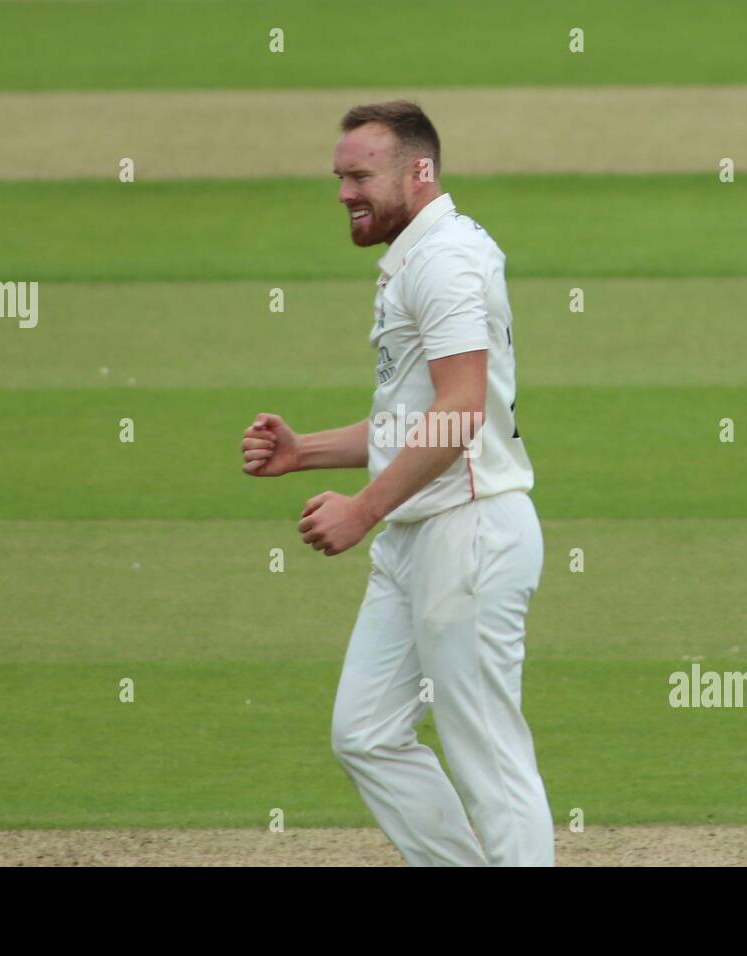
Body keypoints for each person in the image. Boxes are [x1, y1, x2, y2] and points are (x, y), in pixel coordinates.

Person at [240, 101, 553, 866]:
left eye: (360, 175)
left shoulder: (442, 260)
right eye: (339, 176)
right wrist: (304, 451)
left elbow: (459, 410)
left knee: (487, 754)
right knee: (367, 733)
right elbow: (411, 420)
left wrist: (363, 512)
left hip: (469, 531)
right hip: (424, 534)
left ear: (420, 173)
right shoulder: (420, 253)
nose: (345, 193)